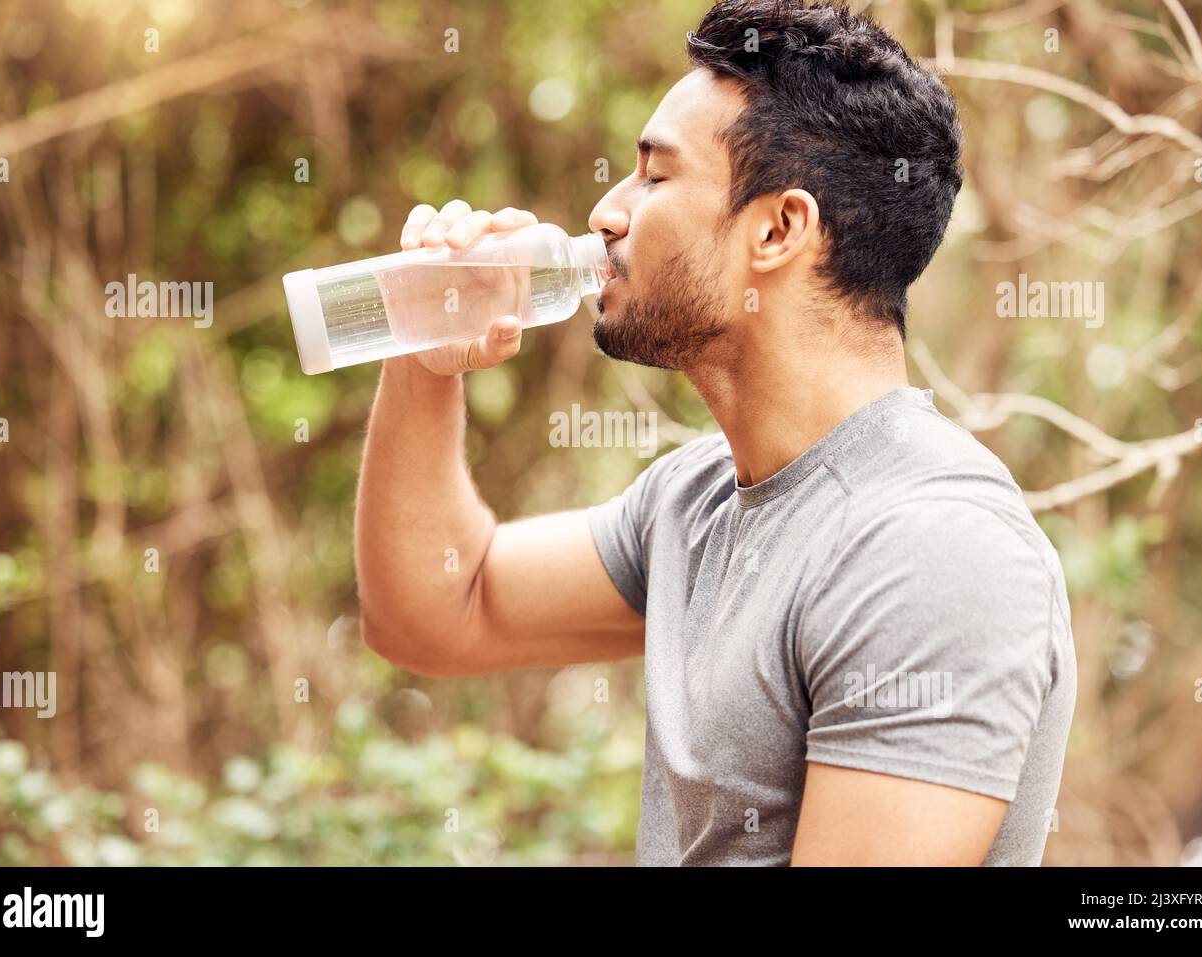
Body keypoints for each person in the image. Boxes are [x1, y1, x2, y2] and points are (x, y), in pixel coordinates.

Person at [355, 0, 1076, 866]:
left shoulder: (930, 548)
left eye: (654, 177)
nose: (606, 214)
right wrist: (425, 358)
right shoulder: (694, 500)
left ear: (778, 229)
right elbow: (436, 611)